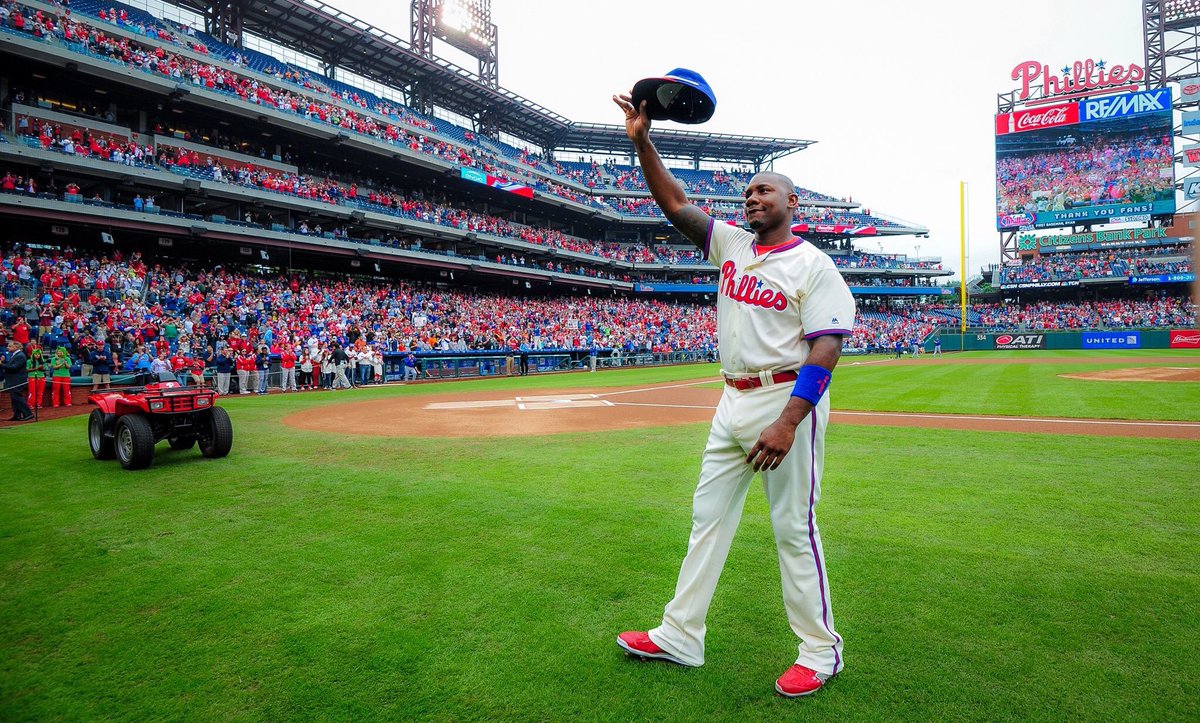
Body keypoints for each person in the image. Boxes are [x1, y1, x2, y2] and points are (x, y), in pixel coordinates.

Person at [612, 91, 855, 699]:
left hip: (783, 401)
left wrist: (789, 422)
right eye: (748, 191)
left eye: (765, 190)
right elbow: (675, 203)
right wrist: (642, 138)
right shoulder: (733, 246)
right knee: (706, 521)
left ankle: (820, 651)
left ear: (792, 203)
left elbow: (825, 348)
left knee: (793, 530)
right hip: (731, 401)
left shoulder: (815, 267)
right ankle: (680, 634)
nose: (752, 197)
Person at [4, 340, 33, 421]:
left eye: (10, 346)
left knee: (17, 397)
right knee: (14, 398)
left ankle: (28, 414)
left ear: (16, 347)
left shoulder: (20, 355)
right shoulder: (15, 355)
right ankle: (17, 415)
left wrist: (1, 364)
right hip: (13, 379)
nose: (7, 347)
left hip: (17, 380)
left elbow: (14, 368)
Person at [25, 344, 47, 410]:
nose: (37, 355)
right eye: (35, 354)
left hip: (41, 377)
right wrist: (36, 368)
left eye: (38, 354)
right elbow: (26, 370)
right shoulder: (29, 361)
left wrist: (41, 368)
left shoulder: (43, 362)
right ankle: (30, 404)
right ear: (33, 355)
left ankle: (38, 404)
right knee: (32, 392)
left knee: (40, 392)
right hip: (32, 377)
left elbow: (45, 369)